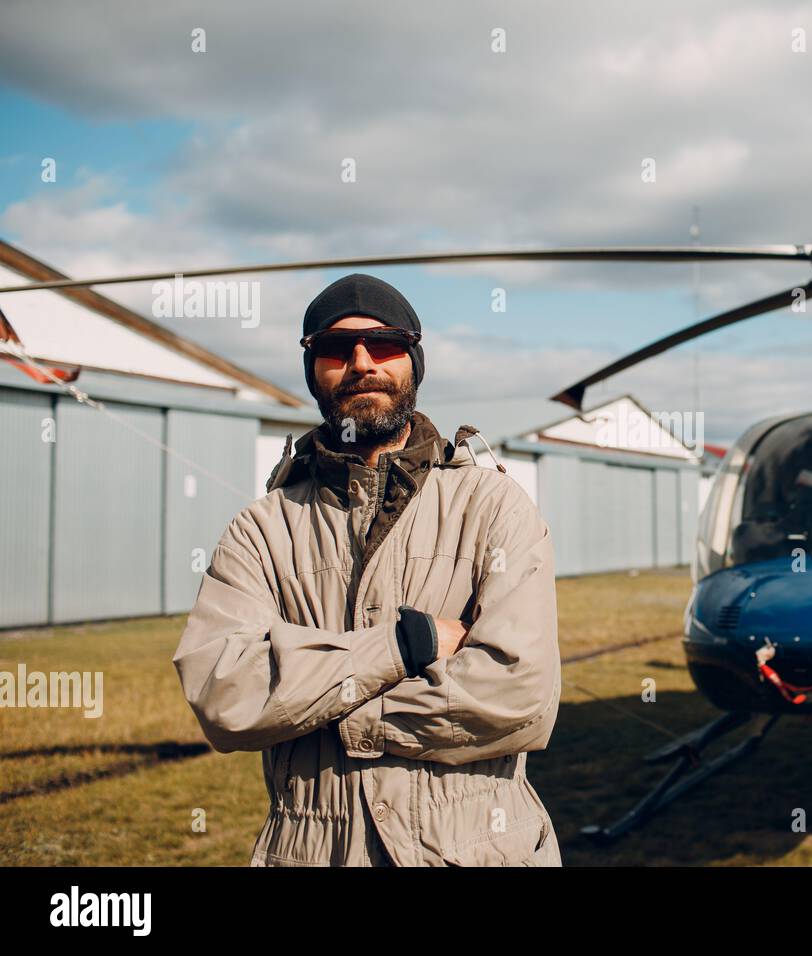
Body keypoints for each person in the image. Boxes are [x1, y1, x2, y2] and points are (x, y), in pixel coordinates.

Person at [172, 273, 562, 866]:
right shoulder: (261, 529)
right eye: (335, 348)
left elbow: (520, 698)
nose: (361, 362)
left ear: (413, 360)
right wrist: (408, 647)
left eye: (383, 344)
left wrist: (311, 703)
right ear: (313, 370)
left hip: (480, 848)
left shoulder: (493, 507)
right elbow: (226, 697)